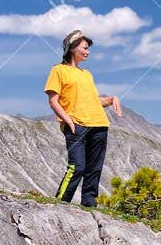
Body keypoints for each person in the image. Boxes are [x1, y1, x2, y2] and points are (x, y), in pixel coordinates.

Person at [44, 29, 123, 207]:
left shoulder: (87, 74)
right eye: (85, 48)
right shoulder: (58, 70)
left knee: (94, 168)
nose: (88, 52)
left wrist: (111, 99)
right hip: (76, 125)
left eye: (88, 49)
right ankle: (60, 202)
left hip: (99, 124)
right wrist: (68, 121)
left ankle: (89, 202)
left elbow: (93, 101)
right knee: (77, 166)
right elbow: (53, 101)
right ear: (72, 48)